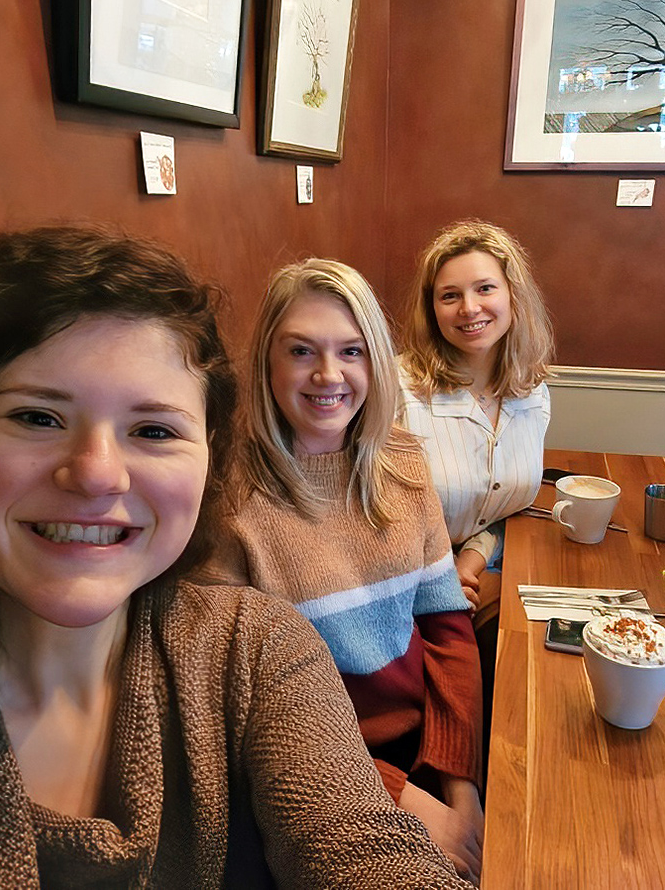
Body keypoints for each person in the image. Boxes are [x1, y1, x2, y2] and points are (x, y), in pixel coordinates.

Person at [0, 226, 475, 889]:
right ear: (266, 368)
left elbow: (355, 838)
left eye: (152, 429)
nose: (99, 473)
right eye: (37, 417)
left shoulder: (251, 644)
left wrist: (457, 777)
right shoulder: (239, 516)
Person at [207, 259, 484, 887]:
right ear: (267, 365)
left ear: (375, 362)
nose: (328, 375)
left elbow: (446, 629)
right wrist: (396, 796)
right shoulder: (229, 504)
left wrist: (460, 786)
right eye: (301, 350)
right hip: (315, 779)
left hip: (430, 752)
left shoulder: (404, 465)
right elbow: (238, 713)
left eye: (350, 351)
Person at [398, 220, 554, 774]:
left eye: (485, 288)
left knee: (546, 666)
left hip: (484, 569)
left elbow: (508, 505)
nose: (470, 308)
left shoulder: (532, 391)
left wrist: (472, 556)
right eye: (450, 295)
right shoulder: (400, 395)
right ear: (431, 309)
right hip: (405, 583)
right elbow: (369, 514)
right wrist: (442, 570)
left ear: (513, 295)